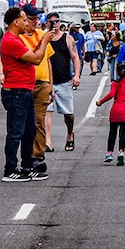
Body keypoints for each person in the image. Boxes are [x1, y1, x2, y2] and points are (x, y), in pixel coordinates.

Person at [0, 6, 58, 182]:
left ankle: (27, 166)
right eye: (24, 20)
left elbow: (35, 55)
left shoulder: (17, 39)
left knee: (29, 131)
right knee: (16, 132)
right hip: (16, 91)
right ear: (15, 22)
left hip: (25, 90)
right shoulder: (11, 40)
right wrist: (45, 40)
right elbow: (36, 58)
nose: (27, 23)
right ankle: (10, 169)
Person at [24, 5, 55, 177]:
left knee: (38, 121)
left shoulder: (43, 35)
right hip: (25, 84)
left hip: (42, 84)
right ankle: (25, 156)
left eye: (37, 18)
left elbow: (48, 61)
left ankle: (37, 156)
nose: (36, 21)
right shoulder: (19, 37)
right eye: (32, 18)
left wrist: (51, 85)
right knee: (25, 124)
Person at [48, 12, 82, 152]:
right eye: (51, 21)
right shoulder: (44, 38)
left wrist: (77, 76)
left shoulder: (67, 38)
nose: (54, 24)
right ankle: (48, 142)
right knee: (46, 111)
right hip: (47, 81)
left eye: (56, 21)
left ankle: (69, 134)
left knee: (68, 113)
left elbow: (75, 58)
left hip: (64, 80)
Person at [97, 63, 125, 165]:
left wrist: (100, 102)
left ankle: (109, 153)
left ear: (117, 72)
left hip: (115, 111)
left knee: (112, 133)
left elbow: (111, 94)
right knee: (123, 134)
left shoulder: (115, 84)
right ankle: (121, 152)